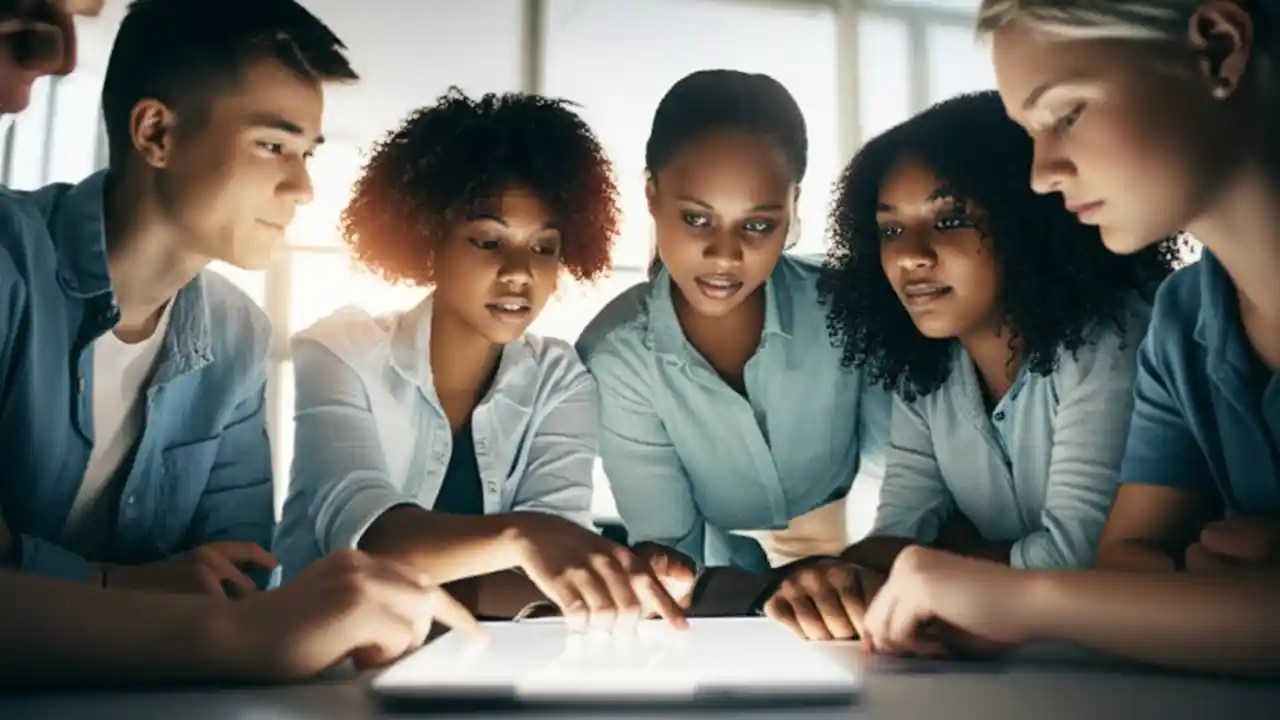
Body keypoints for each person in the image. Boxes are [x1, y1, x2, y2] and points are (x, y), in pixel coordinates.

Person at [0, 0, 481, 689]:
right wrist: (130, 586)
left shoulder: (236, 336)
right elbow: (226, 615)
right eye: (273, 145)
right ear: (156, 133)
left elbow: (236, 576)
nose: (303, 186)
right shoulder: (9, 261)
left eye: (308, 152)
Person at [850, 0, 1280, 677]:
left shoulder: (1123, 334)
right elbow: (1124, 565)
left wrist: (1022, 597)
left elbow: (1095, 571)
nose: (1040, 175)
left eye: (1068, 114)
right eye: (1029, 131)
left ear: (1219, 50)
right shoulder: (1182, 325)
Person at [764, 92, 1179, 640]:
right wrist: (839, 574)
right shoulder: (925, 364)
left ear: (1027, 223)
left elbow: (1081, 560)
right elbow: (900, 537)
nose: (911, 254)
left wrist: (939, 558)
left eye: (951, 219)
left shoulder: (1111, 337)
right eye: (890, 230)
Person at [276, 89, 686, 631]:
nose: (520, 272)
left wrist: (620, 573)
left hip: (482, 669)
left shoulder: (559, 381)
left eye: (543, 248)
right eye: (488, 242)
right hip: (323, 674)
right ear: (429, 239)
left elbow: (549, 573)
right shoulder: (339, 353)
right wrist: (525, 537)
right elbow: (368, 542)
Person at [577, 69, 891, 582]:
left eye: (758, 225)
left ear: (792, 209)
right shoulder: (616, 357)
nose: (725, 255)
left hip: (864, 562)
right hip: (719, 597)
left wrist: (853, 564)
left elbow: (904, 486)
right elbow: (674, 554)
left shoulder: (850, 308)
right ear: (652, 196)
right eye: (697, 219)